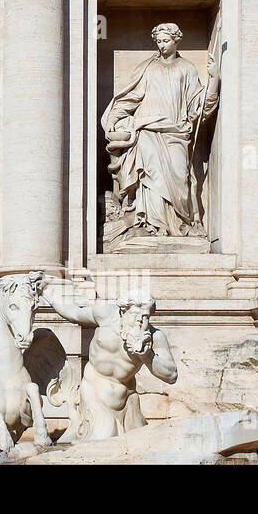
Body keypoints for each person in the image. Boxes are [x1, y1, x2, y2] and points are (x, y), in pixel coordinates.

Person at [101, 22, 218, 240]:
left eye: (166, 41)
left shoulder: (187, 69)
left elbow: (199, 106)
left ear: (176, 41)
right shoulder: (147, 68)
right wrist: (114, 118)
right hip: (147, 130)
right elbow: (130, 98)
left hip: (176, 132)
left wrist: (214, 80)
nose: (162, 45)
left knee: (180, 178)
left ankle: (179, 224)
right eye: (159, 41)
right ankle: (151, 225)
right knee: (150, 176)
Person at [43, 287, 177, 440]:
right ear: (123, 311)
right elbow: (74, 313)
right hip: (94, 393)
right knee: (103, 439)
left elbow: (171, 375)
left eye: (145, 316)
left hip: (127, 401)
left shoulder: (155, 337)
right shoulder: (105, 315)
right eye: (135, 314)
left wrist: (147, 355)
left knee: (138, 444)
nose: (140, 320)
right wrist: (47, 291)